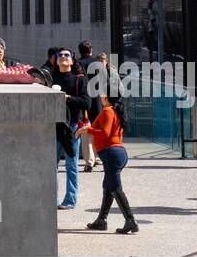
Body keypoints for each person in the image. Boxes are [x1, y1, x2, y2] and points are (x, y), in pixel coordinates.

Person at [84, 92, 137, 234]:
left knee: (115, 188)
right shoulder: (115, 111)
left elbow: (105, 133)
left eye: (103, 93)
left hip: (111, 154)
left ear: (107, 97)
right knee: (108, 186)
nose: (100, 95)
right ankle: (102, 220)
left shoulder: (108, 111)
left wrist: (87, 129)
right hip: (116, 153)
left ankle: (130, 220)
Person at [52, 48, 89, 211]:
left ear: (72, 61)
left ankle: (70, 200)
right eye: (60, 55)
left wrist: (68, 98)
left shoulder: (79, 79)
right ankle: (52, 198)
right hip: (54, 125)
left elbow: (86, 103)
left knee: (71, 164)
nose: (63, 57)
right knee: (51, 164)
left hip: (72, 126)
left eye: (67, 55)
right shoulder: (51, 77)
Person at [76, 40, 101, 171]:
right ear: (91, 50)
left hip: (84, 99)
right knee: (97, 128)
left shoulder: (78, 64)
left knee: (86, 129)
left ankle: (89, 160)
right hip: (97, 99)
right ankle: (98, 156)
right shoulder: (97, 63)